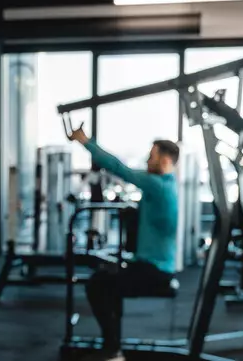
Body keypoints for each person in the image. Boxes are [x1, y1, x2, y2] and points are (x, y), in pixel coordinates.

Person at [67, 124, 180, 361]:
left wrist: (85, 141)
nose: (148, 161)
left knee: (97, 286)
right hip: (149, 265)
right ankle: (112, 345)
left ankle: (112, 349)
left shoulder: (157, 185)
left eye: (152, 156)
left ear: (166, 160)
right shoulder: (166, 185)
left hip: (155, 270)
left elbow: (119, 168)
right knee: (105, 280)